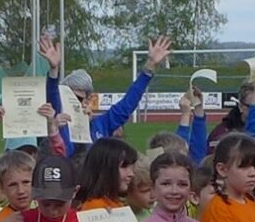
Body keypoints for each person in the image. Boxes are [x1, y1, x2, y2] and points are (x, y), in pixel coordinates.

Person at [39, 34, 174, 153]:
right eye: (67, 97)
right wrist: (53, 70)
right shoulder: (59, 123)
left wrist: (150, 66)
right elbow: (52, 94)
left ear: (87, 100)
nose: (73, 102)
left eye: (78, 98)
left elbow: (127, 105)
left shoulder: (101, 124)